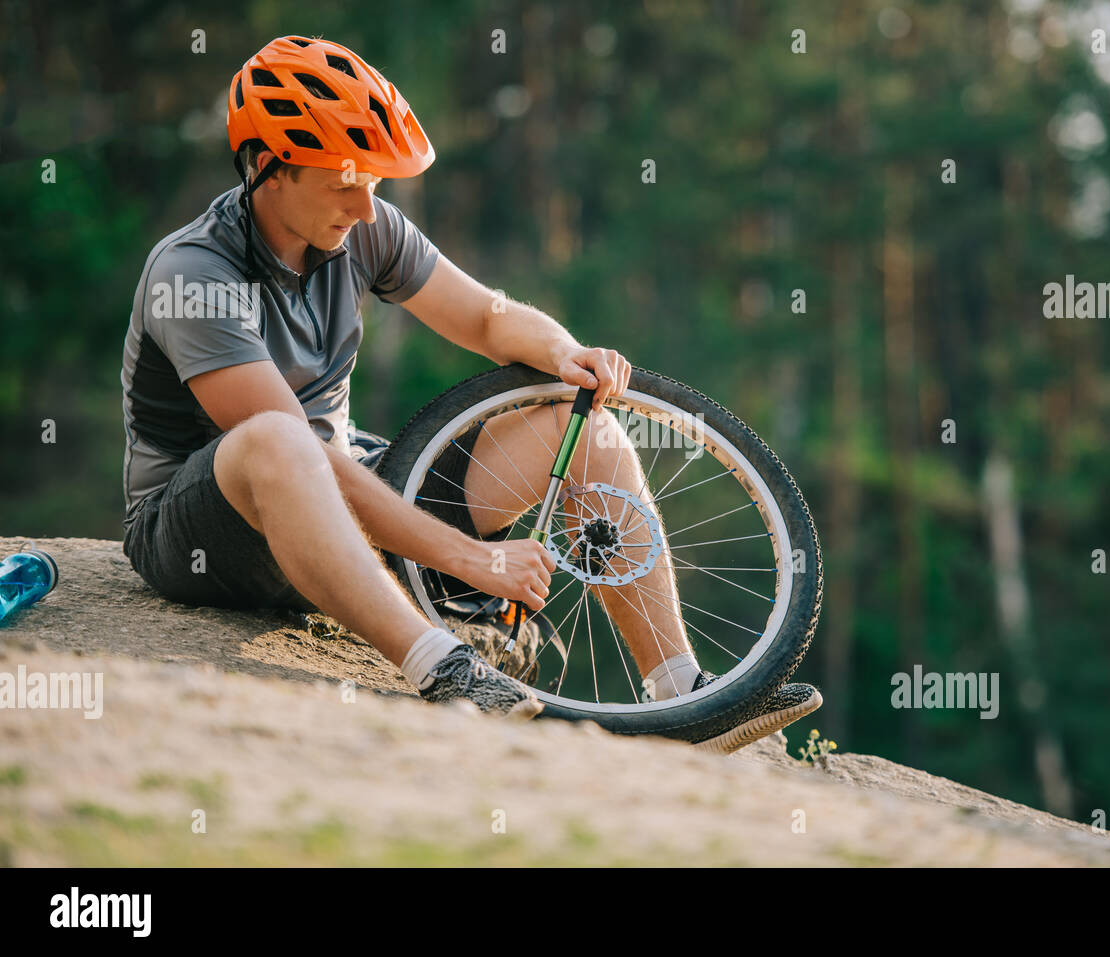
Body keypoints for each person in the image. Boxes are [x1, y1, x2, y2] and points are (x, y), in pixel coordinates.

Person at [120, 36, 819, 745]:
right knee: (278, 438)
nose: (366, 207)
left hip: (346, 504)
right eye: (344, 183)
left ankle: (683, 699)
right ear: (269, 167)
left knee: (586, 428)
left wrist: (565, 351)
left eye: (374, 184)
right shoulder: (193, 275)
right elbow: (300, 457)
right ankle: (444, 669)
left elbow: (486, 316)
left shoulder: (361, 230)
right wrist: (472, 560)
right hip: (209, 528)